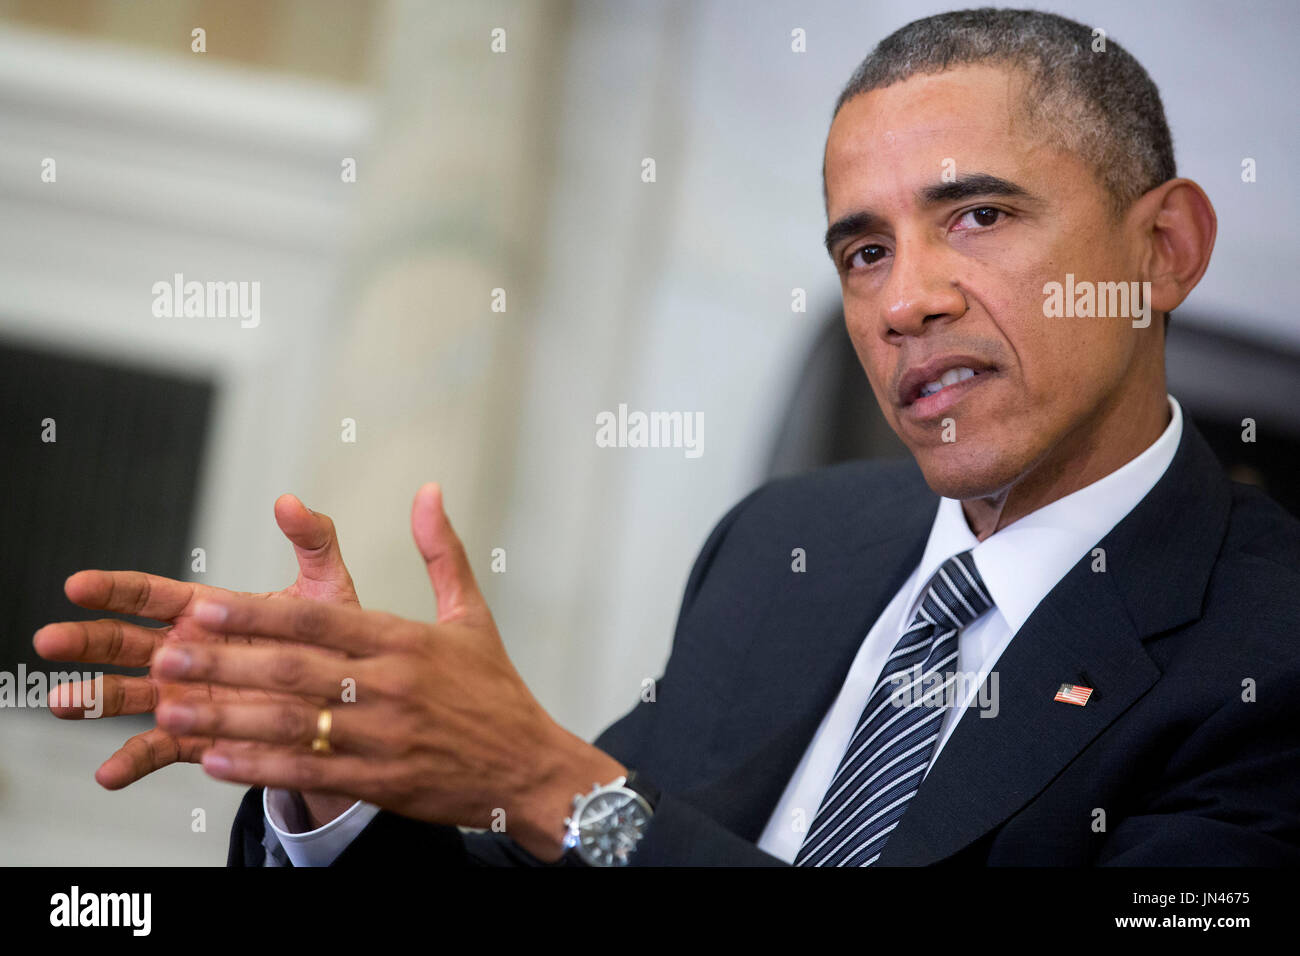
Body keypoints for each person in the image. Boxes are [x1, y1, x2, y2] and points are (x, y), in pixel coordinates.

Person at [37, 8, 1300, 866]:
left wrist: (552, 782)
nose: (903, 299)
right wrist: (344, 774)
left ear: (1162, 250)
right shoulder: (787, 543)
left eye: (974, 218)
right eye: (863, 250)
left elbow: (600, 826)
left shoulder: (1272, 659)